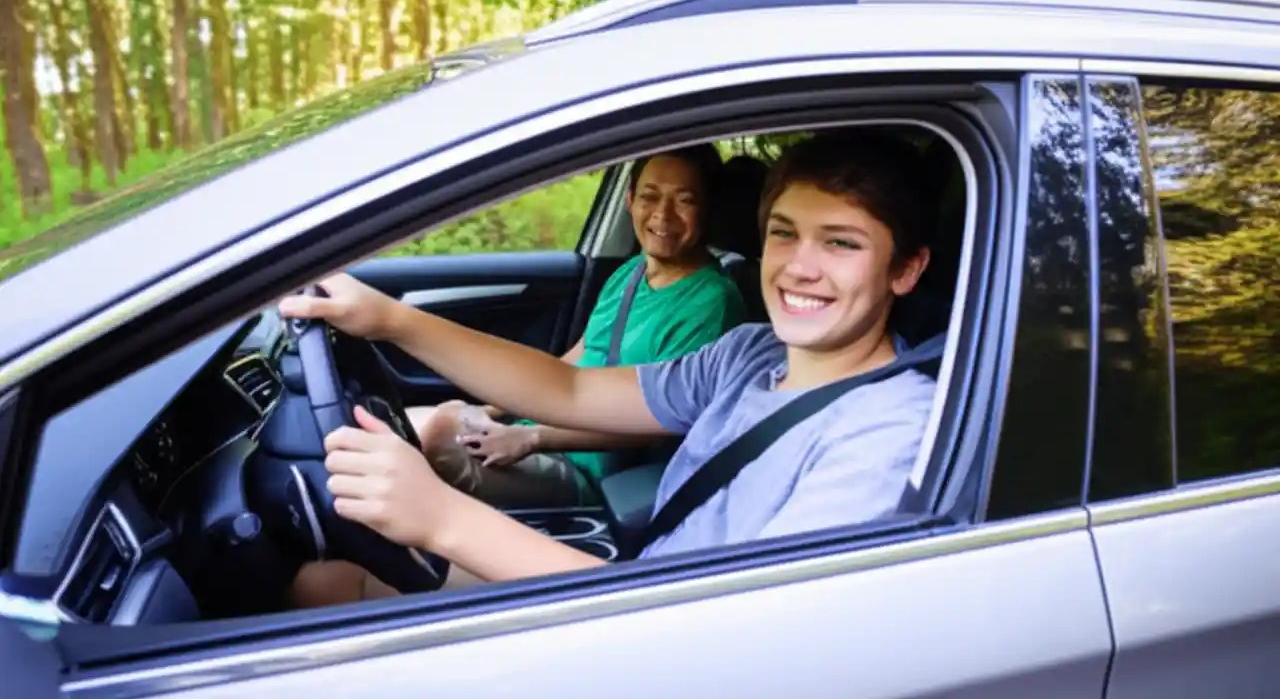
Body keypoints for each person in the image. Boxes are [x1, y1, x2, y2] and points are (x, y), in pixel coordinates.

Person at [281, 130, 938, 603]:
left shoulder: (884, 431)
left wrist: (439, 516)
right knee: (325, 583)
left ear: (906, 269)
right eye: (784, 232)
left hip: (656, 635)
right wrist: (391, 320)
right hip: (636, 579)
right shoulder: (751, 355)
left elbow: (729, 636)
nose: (799, 266)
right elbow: (567, 386)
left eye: (842, 244)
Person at [409, 143, 746, 509]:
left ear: (707, 209)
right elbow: (575, 359)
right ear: (630, 200)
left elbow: (660, 421)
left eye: (684, 200)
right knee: (414, 423)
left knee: (436, 437)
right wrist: (494, 410)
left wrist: (532, 438)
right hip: (540, 434)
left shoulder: (713, 301)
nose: (663, 215)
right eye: (650, 196)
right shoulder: (628, 274)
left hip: (603, 476)